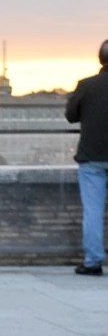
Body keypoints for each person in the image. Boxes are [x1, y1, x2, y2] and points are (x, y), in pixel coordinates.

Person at [65, 39, 108, 276]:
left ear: (100, 60)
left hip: (93, 157)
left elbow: (71, 116)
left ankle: (93, 262)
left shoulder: (86, 85)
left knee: (92, 212)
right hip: (93, 158)